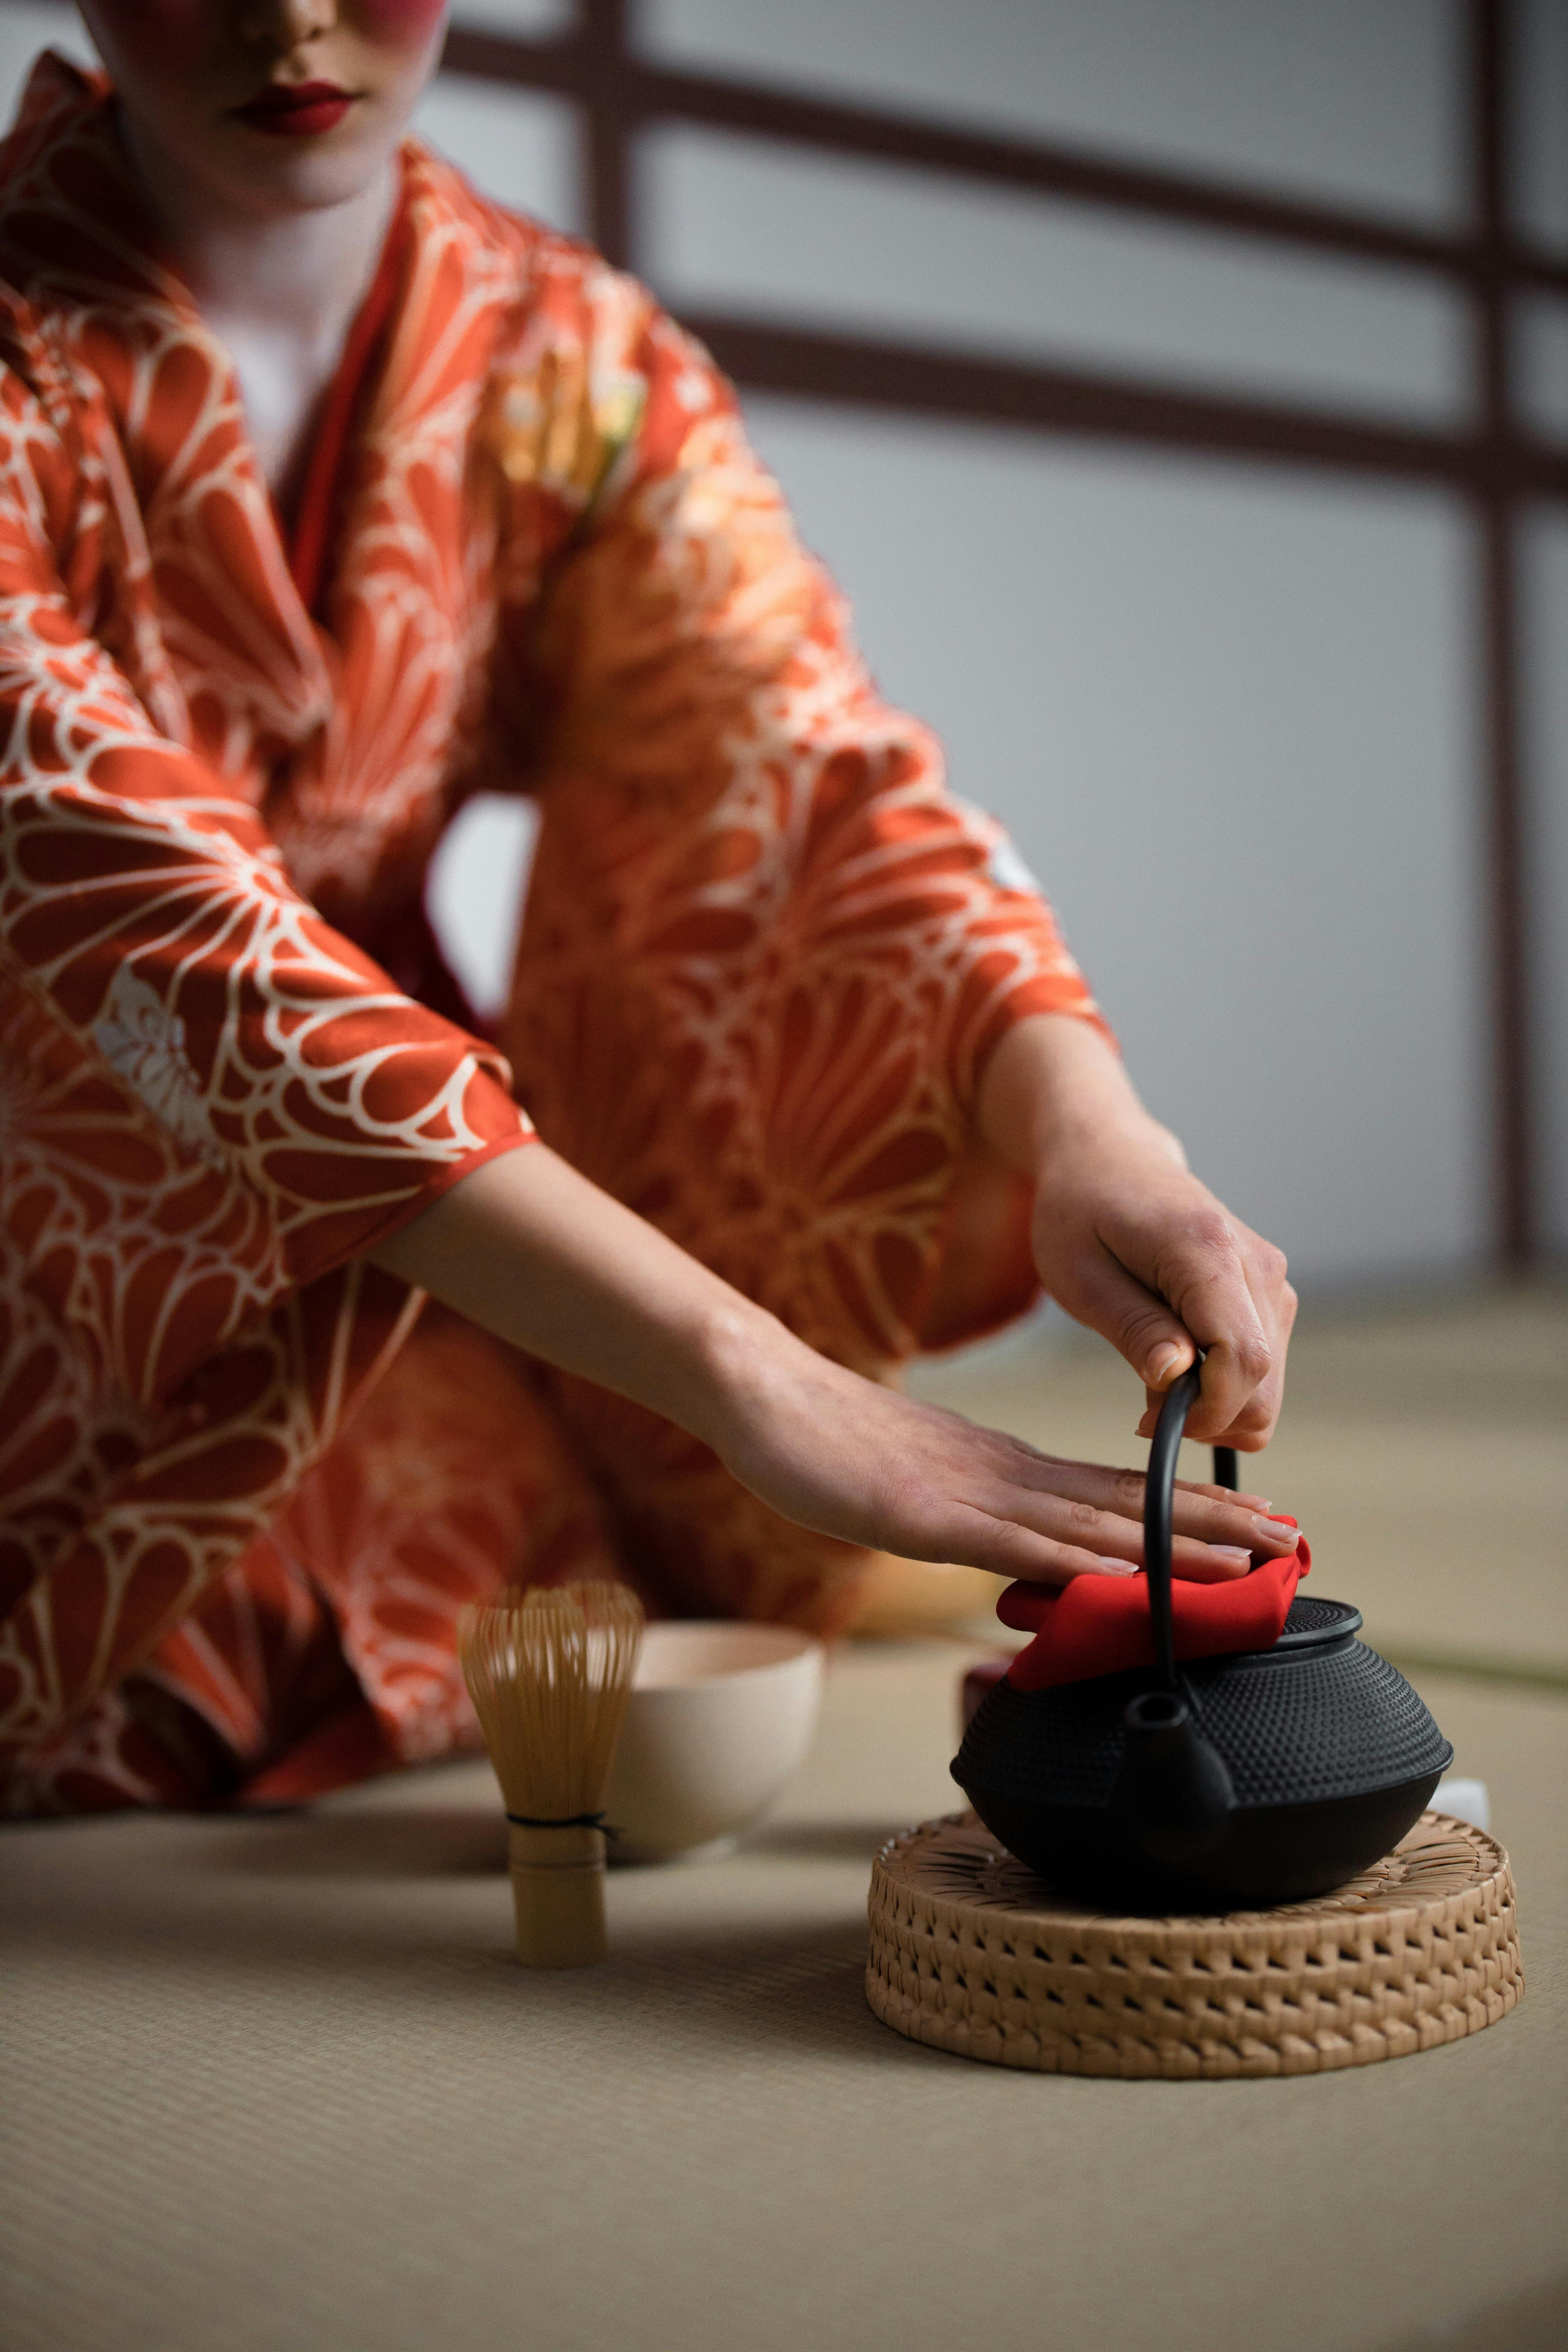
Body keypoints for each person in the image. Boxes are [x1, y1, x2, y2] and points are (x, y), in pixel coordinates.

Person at [0, 0, 1299, 1815]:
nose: (290, 13)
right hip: (69, 1186)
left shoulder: (567, 355)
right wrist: (747, 1373)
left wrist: (1096, 1125)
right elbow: (106, 885)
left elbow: (799, 760)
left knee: (566, 1572)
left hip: (438, 1197)